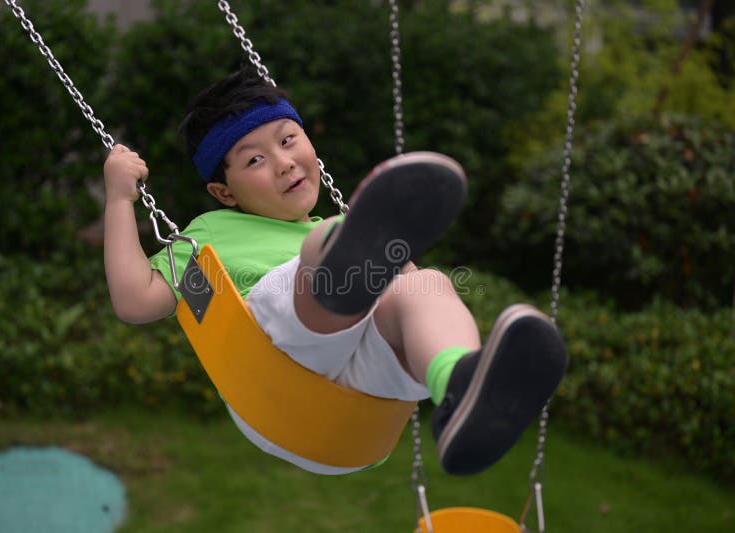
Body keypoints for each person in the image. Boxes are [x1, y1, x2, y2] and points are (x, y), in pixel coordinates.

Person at [103, 67, 568, 476]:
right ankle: (336, 282)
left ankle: (459, 386)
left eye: (288, 140)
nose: (284, 162)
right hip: (273, 376)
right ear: (225, 193)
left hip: (354, 411)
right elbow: (134, 301)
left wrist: (400, 273)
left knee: (426, 286)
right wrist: (119, 199)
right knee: (320, 248)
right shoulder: (211, 232)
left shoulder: (339, 230)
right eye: (255, 160)